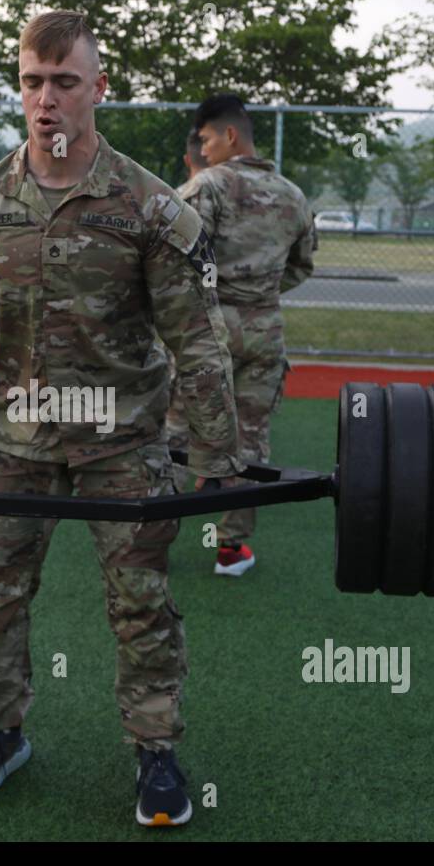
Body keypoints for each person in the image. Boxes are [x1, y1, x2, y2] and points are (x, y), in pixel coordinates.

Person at [0, 11, 240, 827]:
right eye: (31, 82)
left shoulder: (150, 208)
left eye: (63, 82)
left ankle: (155, 750)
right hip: (15, 439)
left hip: (123, 441)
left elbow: (195, 340)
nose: (45, 100)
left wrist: (217, 455)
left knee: (140, 602)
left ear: (99, 88)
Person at [164, 94, 316, 576]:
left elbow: (175, 259)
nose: (203, 150)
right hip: (265, 330)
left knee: (175, 431)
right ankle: (231, 549)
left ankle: (152, 537)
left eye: (207, 139)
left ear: (230, 136)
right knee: (250, 440)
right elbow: (302, 266)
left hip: (206, 331)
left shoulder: (205, 187)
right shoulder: (293, 195)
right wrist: (260, 291)